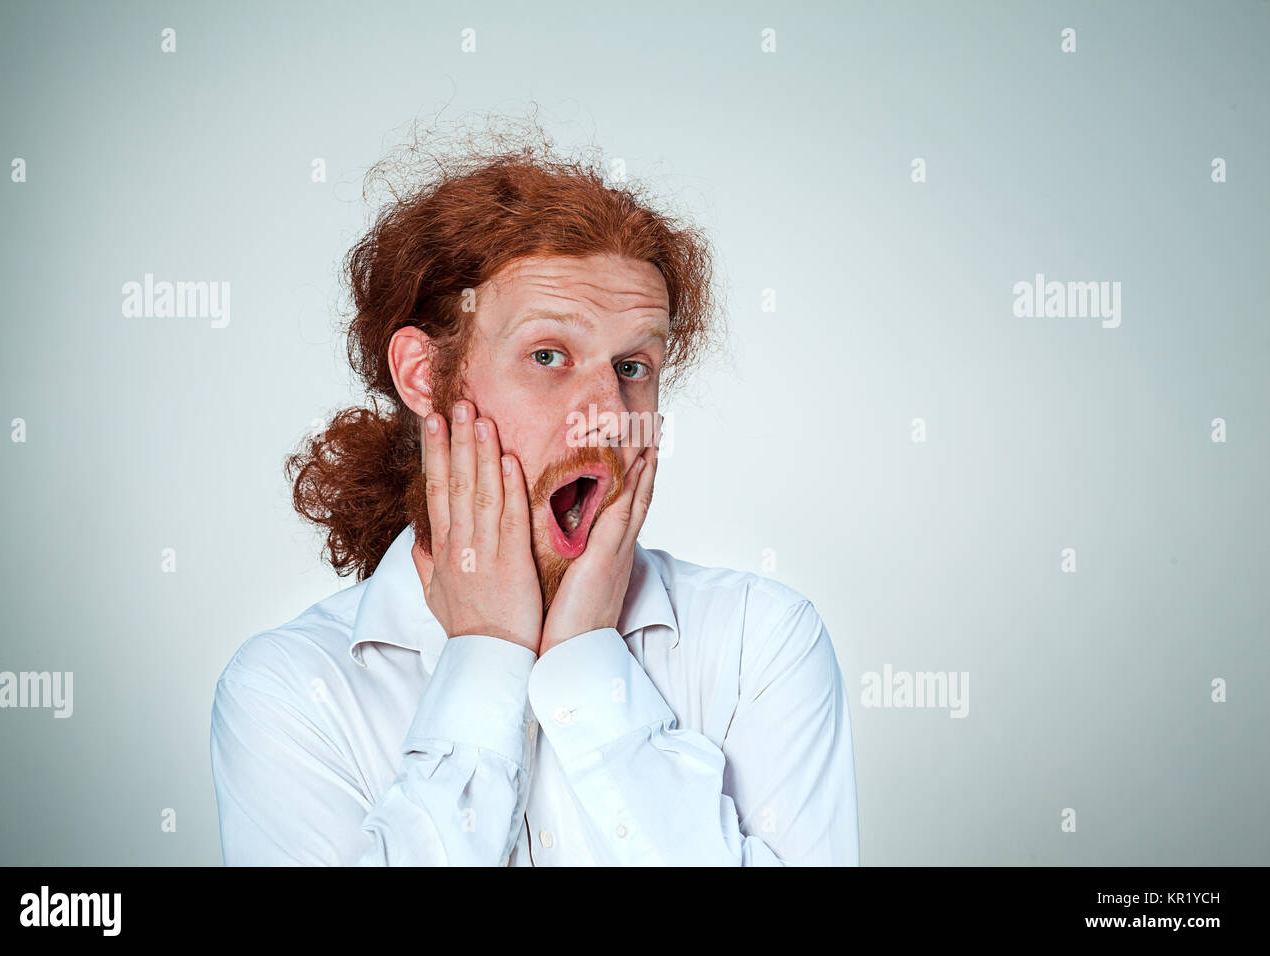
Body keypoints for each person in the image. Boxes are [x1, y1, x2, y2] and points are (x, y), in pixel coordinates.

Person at [209, 128, 859, 865]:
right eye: (548, 356)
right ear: (424, 375)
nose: (612, 414)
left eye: (633, 365)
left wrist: (586, 661)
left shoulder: (758, 644)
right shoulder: (290, 693)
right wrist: (487, 657)